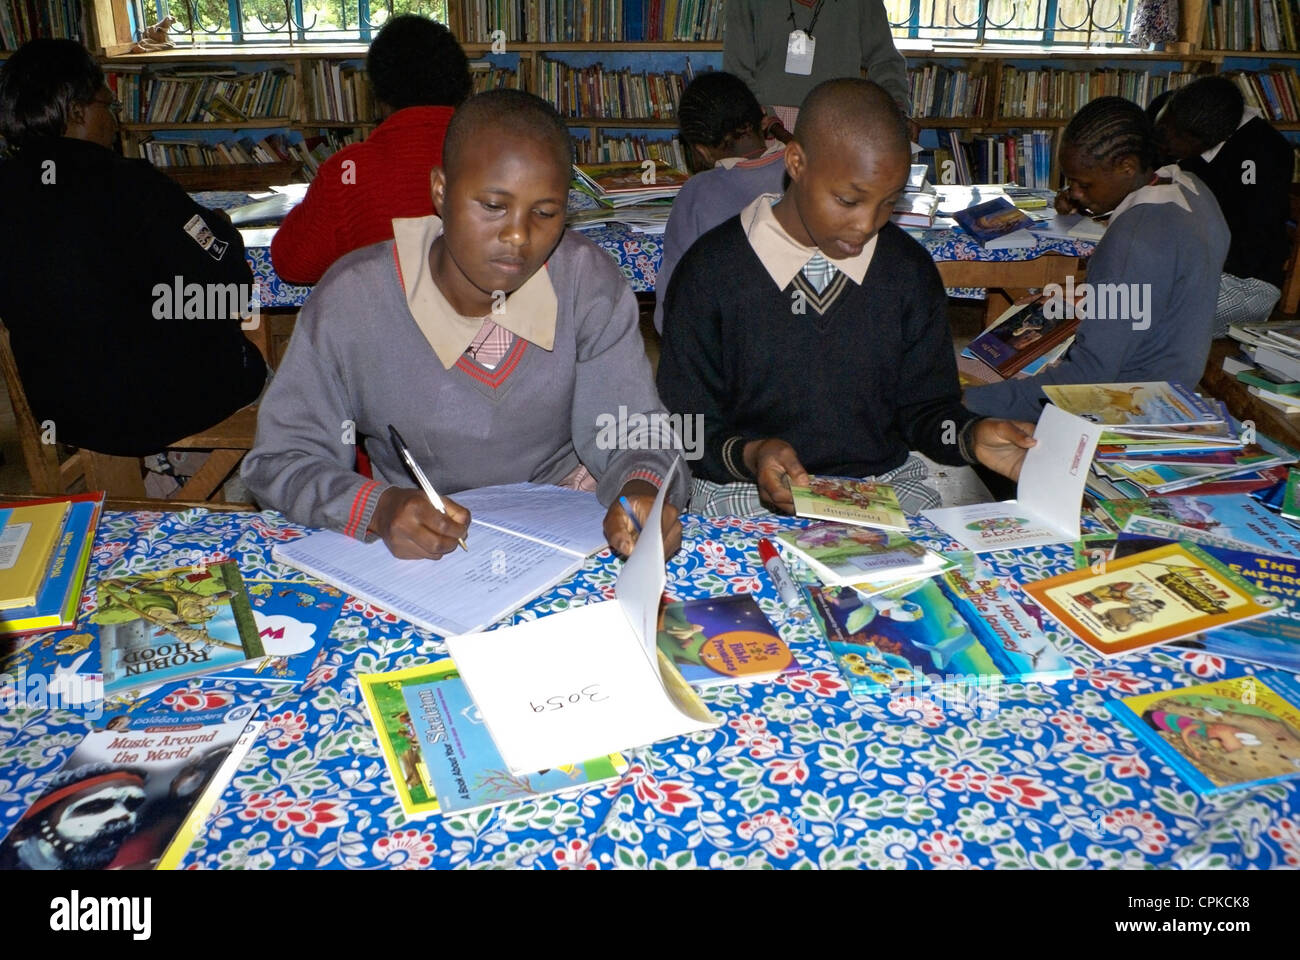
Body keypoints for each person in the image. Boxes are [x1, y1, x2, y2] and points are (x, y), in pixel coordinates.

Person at [243, 90, 688, 560]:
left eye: (546, 212)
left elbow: (633, 430)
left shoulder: (586, 283)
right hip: (417, 537)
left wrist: (641, 490)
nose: (518, 235)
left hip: (568, 519)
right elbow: (280, 460)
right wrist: (378, 506)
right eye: (493, 206)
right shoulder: (352, 301)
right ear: (440, 190)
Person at [655, 78, 1036, 518]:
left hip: (881, 487)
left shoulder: (906, 271)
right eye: (848, 200)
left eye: (887, 203)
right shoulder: (710, 274)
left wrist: (968, 436)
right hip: (743, 490)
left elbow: (926, 410)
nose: (866, 224)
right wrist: (752, 453)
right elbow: (685, 429)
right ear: (796, 162)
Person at [0, 39, 266, 458]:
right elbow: (230, 281)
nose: (116, 121)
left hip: (61, 409)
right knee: (257, 357)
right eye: (111, 107)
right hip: (152, 409)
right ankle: (211, 483)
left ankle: (169, 473)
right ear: (76, 111)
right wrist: (219, 232)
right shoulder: (131, 184)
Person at [966, 96, 1230, 423]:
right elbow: (1153, 293)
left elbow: (1085, 381)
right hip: (1179, 384)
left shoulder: (1133, 240)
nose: (1074, 192)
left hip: (1131, 407)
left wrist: (968, 400)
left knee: (975, 387)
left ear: (1127, 167)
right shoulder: (1191, 187)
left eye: (1083, 183)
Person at [270, 15, 472, 285]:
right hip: (483, 324)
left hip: (380, 323)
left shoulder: (347, 171)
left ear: (378, 97)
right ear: (460, 85)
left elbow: (292, 265)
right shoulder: (498, 159)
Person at [1154, 76, 1293, 333]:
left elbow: (1249, 253)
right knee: (1115, 296)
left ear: (1206, 143)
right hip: (1185, 262)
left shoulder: (1266, 153)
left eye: (1170, 139)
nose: (1160, 144)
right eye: (1161, 130)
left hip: (1243, 283)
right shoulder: (1177, 115)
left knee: (1143, 311)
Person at [654, 71, 788, 334]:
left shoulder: (696, 193)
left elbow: (670, 309)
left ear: (701, 151)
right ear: (761, 119)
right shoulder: (807, 170)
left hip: (731, 348)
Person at [724, 0, 911, 137]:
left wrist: (897, 110)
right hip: (767, 129)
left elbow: (885, 60)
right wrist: (769, 123)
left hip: (840, 126)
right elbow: (737, 75)